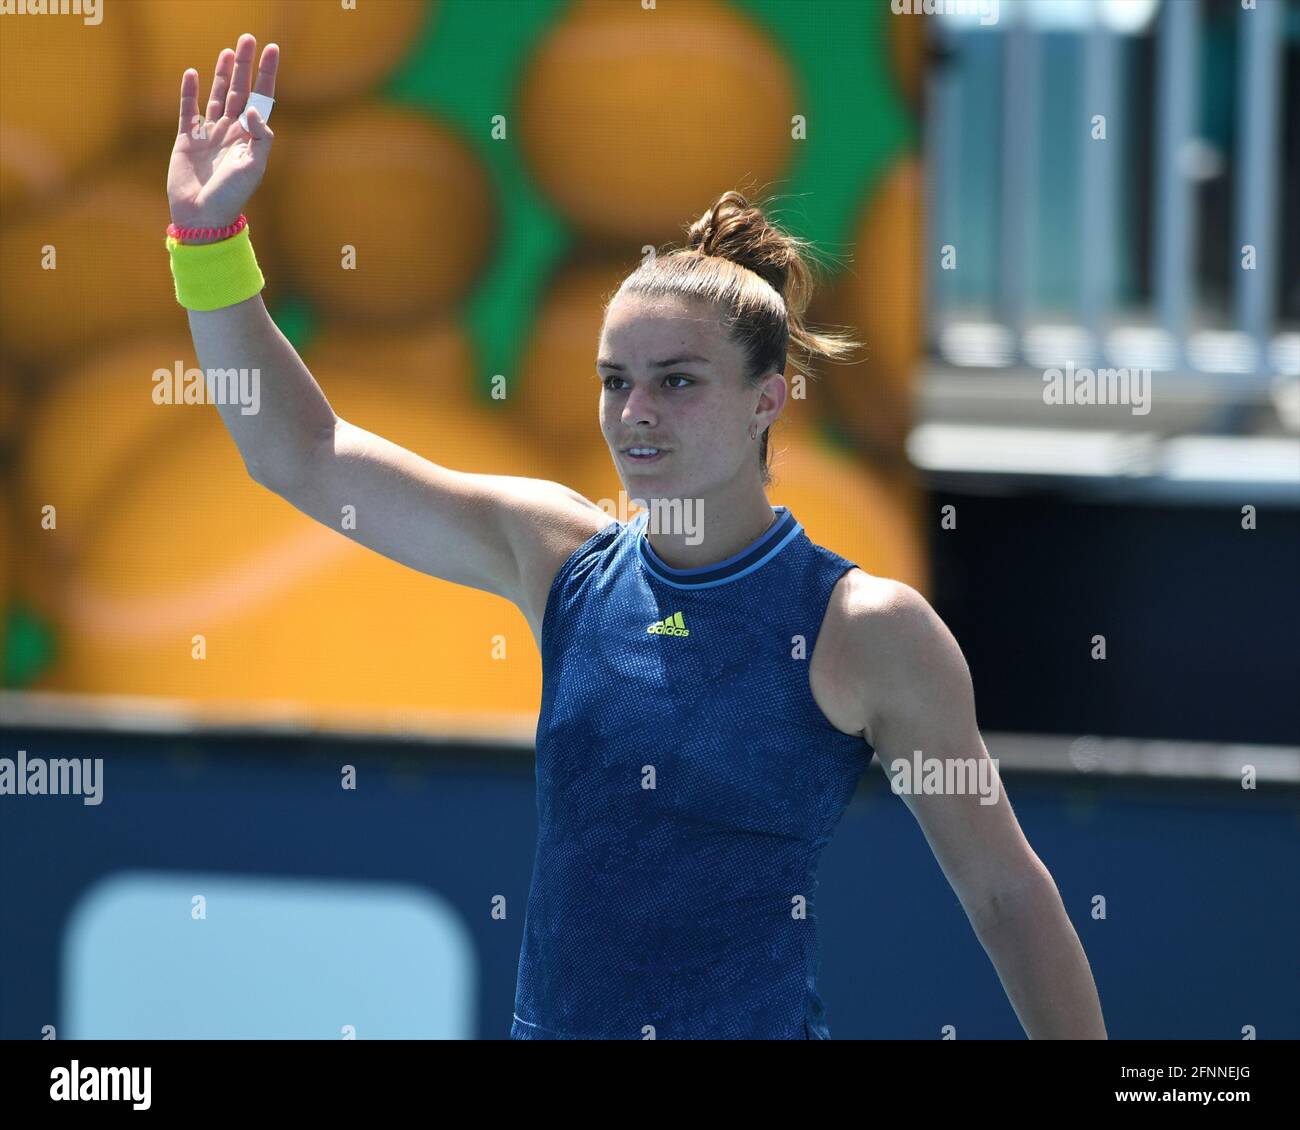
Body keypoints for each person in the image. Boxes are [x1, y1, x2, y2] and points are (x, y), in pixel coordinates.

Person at [167, 34, 1107, 1040]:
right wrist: (210, 238)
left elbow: (1007, 895)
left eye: (677, 380)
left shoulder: (865, 627)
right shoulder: (557, 557)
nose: (636, 412)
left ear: (766, 400)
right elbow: (300, 452)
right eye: (616, 380)